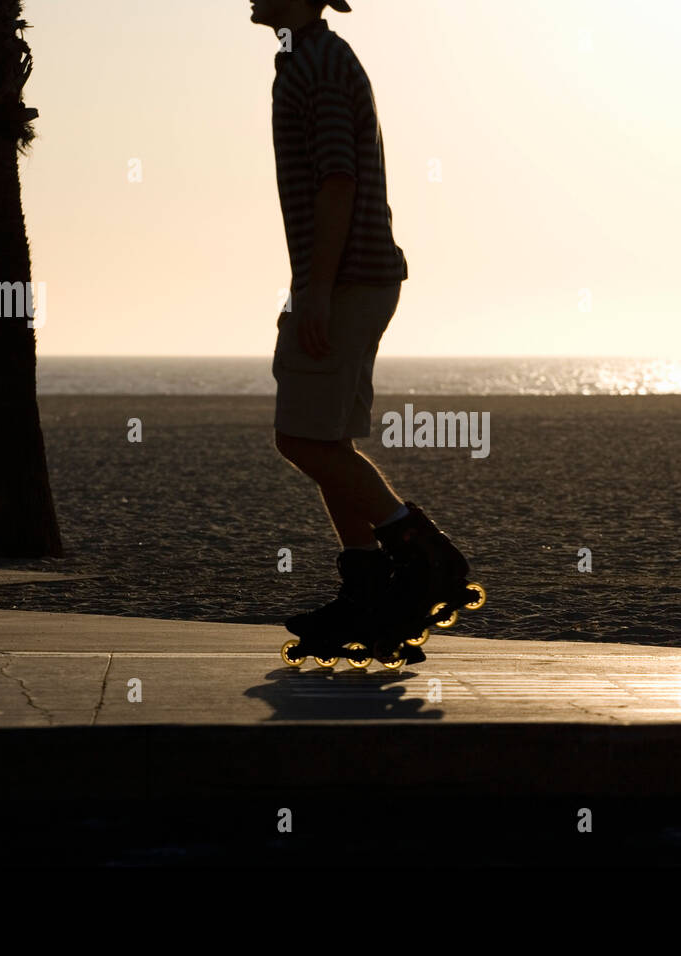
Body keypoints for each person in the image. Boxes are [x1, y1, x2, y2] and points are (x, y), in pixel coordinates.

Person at [251, 0, 481, 665]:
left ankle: (424, 555)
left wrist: (317, 290)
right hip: (355, 277)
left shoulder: (319, 64)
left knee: (299, 437)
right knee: (326, 439)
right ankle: (367, 586)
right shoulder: (306, 58)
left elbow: (338, 180)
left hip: (348, 280)